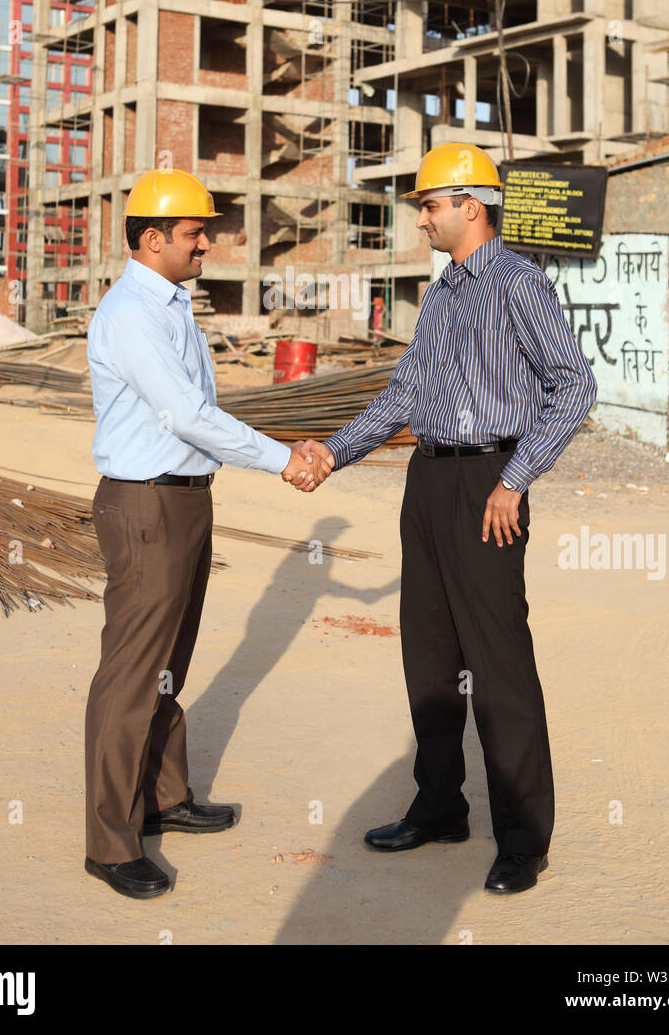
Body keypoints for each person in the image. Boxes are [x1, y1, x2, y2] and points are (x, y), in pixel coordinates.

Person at [300, 143, 597, 894]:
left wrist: (515, 479)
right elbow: (403, 396)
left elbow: (574, 385)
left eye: (430, 205)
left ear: (472, 205)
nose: (423, 219)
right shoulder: (440, 295)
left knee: (498, 667)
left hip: (489, 484)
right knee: (430, 658)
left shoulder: (519, 283)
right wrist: (333, 452)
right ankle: (439, 807)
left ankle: (522, 839)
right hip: (429, 482)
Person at [84, 167, 318, 900]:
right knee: (132, 674)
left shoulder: (171, 304)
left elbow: (196, 412)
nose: (206, 244)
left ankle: (164, 796)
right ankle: (111, 842)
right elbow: (187, 415)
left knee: (168, 662)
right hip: (146, 505)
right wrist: (283, 459)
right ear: (153, 239)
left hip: (184, 500)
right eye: (195, 233)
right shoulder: (132, 313)